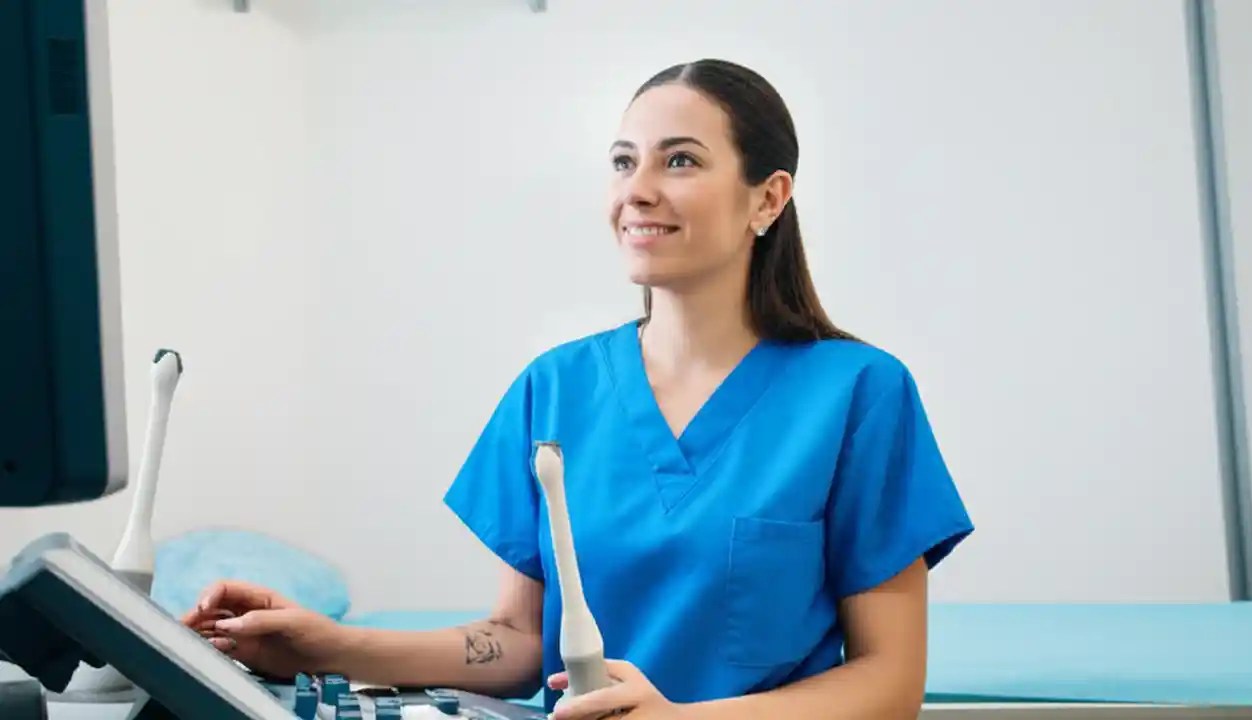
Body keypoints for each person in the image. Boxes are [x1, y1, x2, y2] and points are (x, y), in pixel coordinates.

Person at [183, 58, 973, 720]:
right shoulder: (555, 388)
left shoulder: (860, 395)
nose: (639, 189)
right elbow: (520, 642)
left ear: (767, 198)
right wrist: (326, 644)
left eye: (681, 160)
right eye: (625, 161)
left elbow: (890, 683)